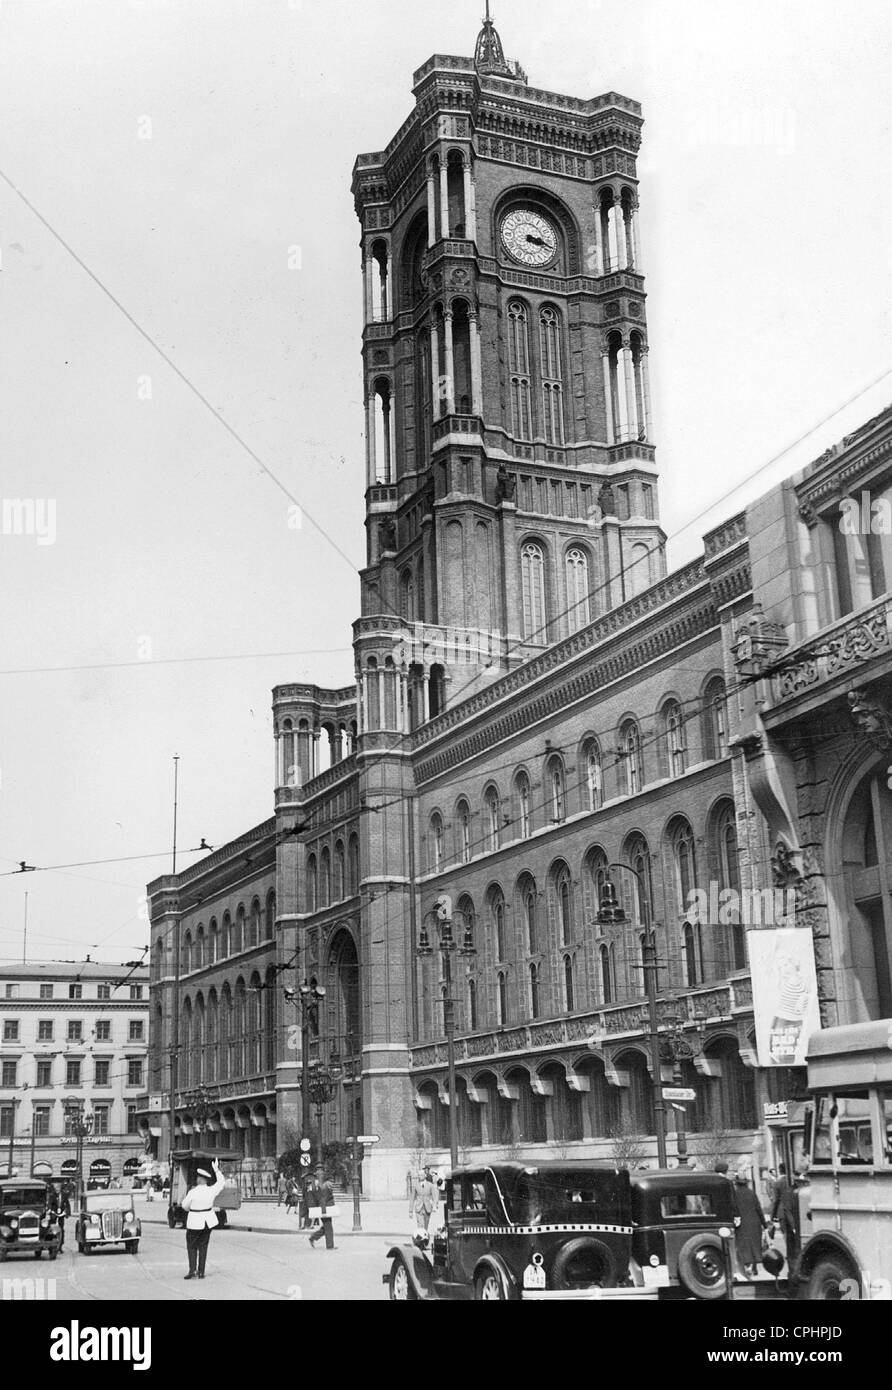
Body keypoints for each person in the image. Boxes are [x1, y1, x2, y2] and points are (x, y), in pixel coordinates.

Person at [180, 1158, 226, 1280]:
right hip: (208, 1222)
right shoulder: (211, 1190)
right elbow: (221, 1183)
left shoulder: (193, 1192)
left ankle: (192, 1270)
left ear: (200, 1179)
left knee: (192, 1246)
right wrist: (216, 1170)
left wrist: (191, 1208)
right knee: (203, 1246)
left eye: (197, 1177)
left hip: (195, 1222)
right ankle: (201, 1272)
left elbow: (184, 1206)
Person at [734, 1170, 768, 1277]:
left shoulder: (734, 1194)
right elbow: (758, 1209)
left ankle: (746, 1267)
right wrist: (764, 1225)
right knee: (754, 1245)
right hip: (754, 1222)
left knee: (743, 1246)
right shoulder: (752, 1193)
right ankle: (754, 1267)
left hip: (741, 1223)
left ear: (736, 1183)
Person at [770, 1162, 801, 1266]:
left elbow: (775, 1201)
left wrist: (772, 1215)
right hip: (794, 1209)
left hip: (782, 1211)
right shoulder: (793, 1181)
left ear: (780, 1170)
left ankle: (790, 1254)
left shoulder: (777, 1183)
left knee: (786, 1234)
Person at [306, 1165, 336, 1250]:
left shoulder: (324, 1186)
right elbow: (323, 1200)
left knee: (326, 1227)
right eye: (331, 1181)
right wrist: (323, 1212)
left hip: (326, 1208)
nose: (333, 1183)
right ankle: (330, 1246)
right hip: (325, 1209)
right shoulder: (325, 1187)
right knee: (328, 1227)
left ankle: (313, 1237)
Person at [410, 1166, 437, 1232]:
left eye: (421, 1175)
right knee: (420, 1226)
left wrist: (434, 1206)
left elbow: (434, 1196)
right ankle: (421, 1240)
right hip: (419, 1208)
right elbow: (412, 1198)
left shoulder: (430, 1185)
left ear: (425, 1175)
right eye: (419, 1175)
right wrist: (410, 1211)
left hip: (427, 1208)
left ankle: (425, 1240)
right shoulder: (415, 1185)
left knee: (425, 1227)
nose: (420, 1176)